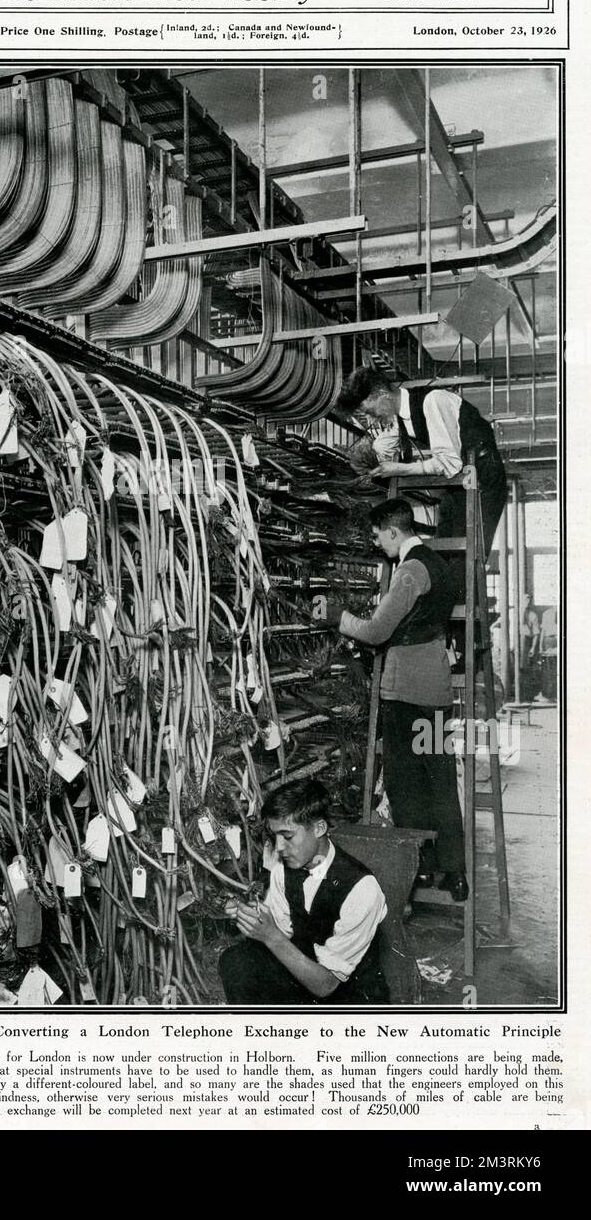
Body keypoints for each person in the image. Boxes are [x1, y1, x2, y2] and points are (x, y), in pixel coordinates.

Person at [336, 497, 468, 901]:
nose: (377, 544)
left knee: (405, 783)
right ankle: (455, 873)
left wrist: (338, 618)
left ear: (394, 532)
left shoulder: (409, 571)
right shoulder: (439, 566)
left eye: (378, 536)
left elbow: (376, 632)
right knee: (442, 780)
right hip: (437, 689)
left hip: (405, 692)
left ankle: (422, 869)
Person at [219, 777, 389, 1005]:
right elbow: (281, 930)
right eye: (274, 836)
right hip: (304, 970)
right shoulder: (284, 869)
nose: (279, 847)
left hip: (347, 994)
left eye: (288, 836)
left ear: (319, 828)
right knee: (236, 960)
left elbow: (326, 985)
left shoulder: (362, 889)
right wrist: (253, 918)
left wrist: (270, 935)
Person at [338, 368, 507, 564]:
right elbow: (384, 446)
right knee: (442, 557)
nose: (371, 419)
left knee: (467, 559)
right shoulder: (400, 416)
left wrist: (399, 469)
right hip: (460, 483)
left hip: (484, 477)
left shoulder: (432, 401)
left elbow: (450, 463)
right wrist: (364, 458)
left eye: (371, 411)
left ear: (382, 395)